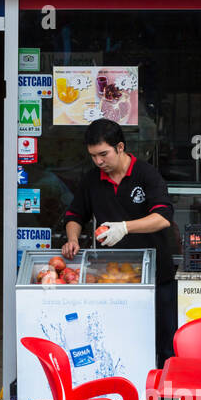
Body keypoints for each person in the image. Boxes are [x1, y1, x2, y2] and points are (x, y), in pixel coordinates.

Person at [61, 119, 178, 367]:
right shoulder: (92, 179)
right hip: (113, 278)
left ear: (120, 147)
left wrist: (124, 227)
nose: (98, 161)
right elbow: (75, 215)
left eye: (103, 154)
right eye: (93, 156)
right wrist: (72, 238)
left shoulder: (146, 174)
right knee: (120, 341)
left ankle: (165, 399)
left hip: (156, 276)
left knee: (164, 344)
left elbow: (163, 217)